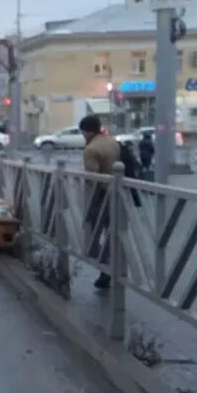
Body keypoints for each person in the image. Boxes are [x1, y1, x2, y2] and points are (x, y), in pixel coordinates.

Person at [80, 114, 121, 289]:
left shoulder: (91, 149)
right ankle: (111, 267)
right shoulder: (112, 142)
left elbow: (93, 177)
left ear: (87, 131)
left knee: (93, 229)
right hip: (118, 194)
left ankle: (103, 266)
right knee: (113, 232)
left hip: (101, 196)